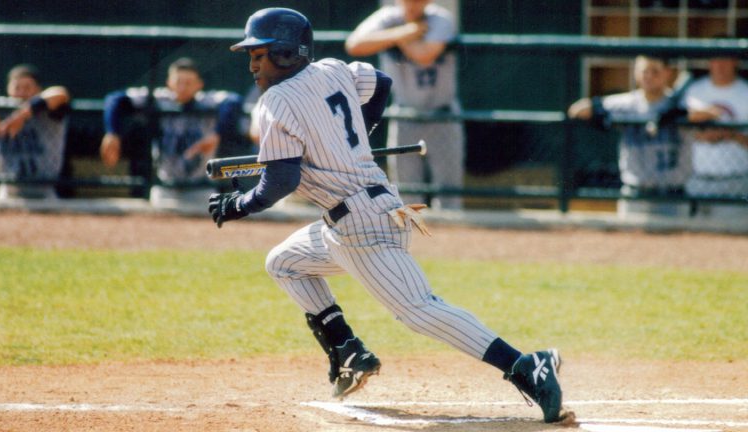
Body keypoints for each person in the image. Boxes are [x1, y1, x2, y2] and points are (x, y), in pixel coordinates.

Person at [208, 8, 572, 424]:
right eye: (251, 55)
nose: (253, 63)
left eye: (262, 53)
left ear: (289, 53)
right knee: (285, 262)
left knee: (419, 309)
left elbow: (280, 181)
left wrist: (239, 204)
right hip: (364, 213)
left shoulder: (275, 100)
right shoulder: (331, 69)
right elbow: (379, 82)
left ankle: (525, 366)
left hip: (360, 224)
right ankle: (346, 349)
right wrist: (357, 135)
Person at [345, 0, 464, 210]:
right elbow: (354, 44)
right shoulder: (388, 18)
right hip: (405, 115)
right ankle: (411, 241)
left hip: (442, 115)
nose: (412, 3)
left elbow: (424, 56)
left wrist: (394, 36)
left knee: (449, 195)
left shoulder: (440, 18)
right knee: (407, 195)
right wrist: (404, 32)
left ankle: (449, 242)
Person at [100, 57, 249, 206]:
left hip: (201, 187)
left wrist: (216, 135)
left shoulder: (206, 101)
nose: (183, 87)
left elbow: (234, 101)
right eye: (178, 82)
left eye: (189, 83)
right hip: (165, 187)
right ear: (169, 83)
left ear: (199, 84)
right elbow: (115, 99)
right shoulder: (160, 98)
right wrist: (112, 133)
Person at [568, 55, 692, 217]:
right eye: (644, 71)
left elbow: (710, 113)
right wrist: (606, 115)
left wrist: (675, 115)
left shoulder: (680, 103)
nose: (648, 76)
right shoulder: (627, 103)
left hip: (672, 193)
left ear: (668, 73)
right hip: (635, 192)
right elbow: (577, 109)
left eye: (655, 71)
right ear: (635, 73)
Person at [0, 64, 70, 199]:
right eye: (17, 87)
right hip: (8, 191)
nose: (21, 93)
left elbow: (61, 93)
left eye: (27, 87)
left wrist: (21, 115)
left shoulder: (47, 110)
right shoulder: (2, 106)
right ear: (8, 89)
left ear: (38, 89)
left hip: (44, 191)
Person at [682, 51, 748, 213]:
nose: (720, 65)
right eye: (715, 59)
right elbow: (680, 129)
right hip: (697, 178)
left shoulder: (745, 92)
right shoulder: (694, 91)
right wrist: (701, 134)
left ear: (735, 61)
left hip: (736, 179)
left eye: (725, 59)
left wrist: (729, 134)